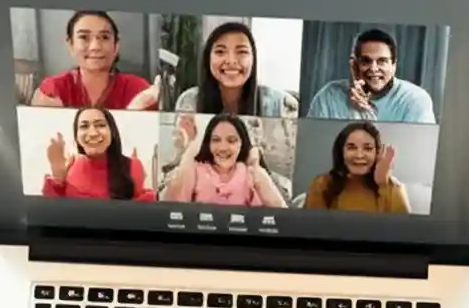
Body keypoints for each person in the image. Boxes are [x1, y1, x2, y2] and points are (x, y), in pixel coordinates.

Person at [30, 11, 158, 110]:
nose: (95, 47)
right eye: (84, 37)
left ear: (116, 46)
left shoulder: (139, 89)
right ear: (71, 45)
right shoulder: (54, 88)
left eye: (104, 37)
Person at [306, 28, 436, 123]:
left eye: (382, 61)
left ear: (394, 65)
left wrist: (365, 114)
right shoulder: (328, 97)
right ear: (354, 64)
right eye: (366, 61)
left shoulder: (416, 100)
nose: (374, 69)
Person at [173, 22, 297, 117]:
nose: (231, 61)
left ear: (253, 59)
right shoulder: (189, 101)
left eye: (242, 52)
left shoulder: (282, 105)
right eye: (220, 51)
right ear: (207, 58)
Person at [162, 113, 286, 207]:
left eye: (231, 140)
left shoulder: (250, 173)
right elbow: (172, 207)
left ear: (242, 144)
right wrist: (192, 145)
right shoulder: (196, 169)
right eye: (216, 140)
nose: (223, 148)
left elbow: (280, 214)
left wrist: (255, 165)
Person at [41, 106, 156, 201]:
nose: (92, 133)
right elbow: (55, 215)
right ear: (76, 136)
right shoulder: (70, 165)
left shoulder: (132, 166)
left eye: (100, 125)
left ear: (113, 132)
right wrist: (57, 177)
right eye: (84, 126)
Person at [304, 121, 411, 213]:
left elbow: (406, 231)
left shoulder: (393, 187)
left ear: (377, 153)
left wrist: (383, 183)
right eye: (351, 148)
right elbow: (311, 229)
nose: (359, 155)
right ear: (341, 152)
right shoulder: (323, 184)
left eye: (368, 149)